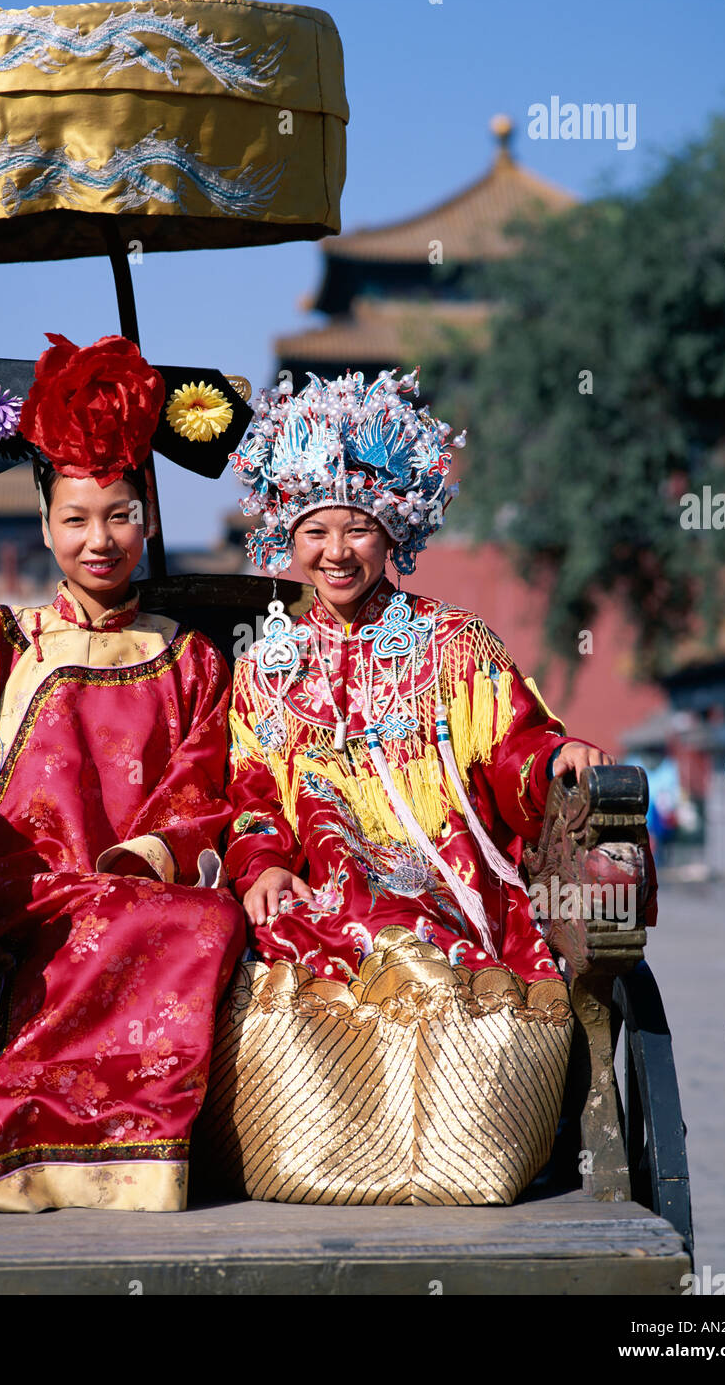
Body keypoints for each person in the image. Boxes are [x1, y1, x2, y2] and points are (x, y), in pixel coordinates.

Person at [0, 333, 246, 1213]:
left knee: (204, 915)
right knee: (141, 917)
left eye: (119, 515)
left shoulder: (191, 660)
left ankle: (124, 1167)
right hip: (12, 894)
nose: (99, 541)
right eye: (76, 519)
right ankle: (0, 1147)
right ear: (43, 525)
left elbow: (202, 786)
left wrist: (145, 855)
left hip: (133, 887)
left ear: (147, 519)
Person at [207, 368, 616, 1206]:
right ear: (290, 538)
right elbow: (248, 787)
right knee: (301, 939)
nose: (336, 552)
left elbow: (510, 746)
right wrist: (261, 867)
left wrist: (553, 760)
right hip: (316, 873)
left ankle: (454, 1150)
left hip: (441, 867)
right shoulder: (263, 668)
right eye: (316, 530)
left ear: (393, 532)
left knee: (410, 929)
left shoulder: (455, 645)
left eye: (357, 529)